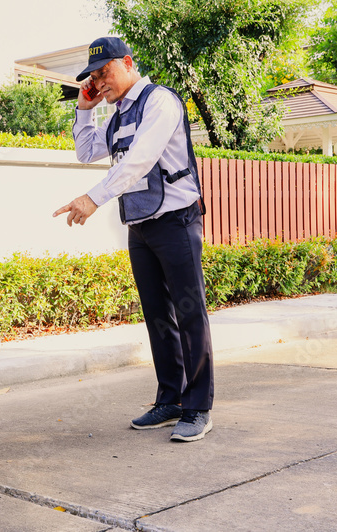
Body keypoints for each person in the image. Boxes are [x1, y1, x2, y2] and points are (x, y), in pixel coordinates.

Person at [53, 37, 214, 442]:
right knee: (158, 315)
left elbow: (141, 158)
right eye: (92, 76)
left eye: (103, 72)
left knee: (188, 314)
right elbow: (85, 151)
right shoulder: (116, 114)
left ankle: (198, 409)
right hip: (141, 224)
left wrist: (93, 199)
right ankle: (170, 400)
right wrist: (84, 110)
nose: (98, 81)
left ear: (127, 63)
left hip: (177, 220)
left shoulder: (160, 102)